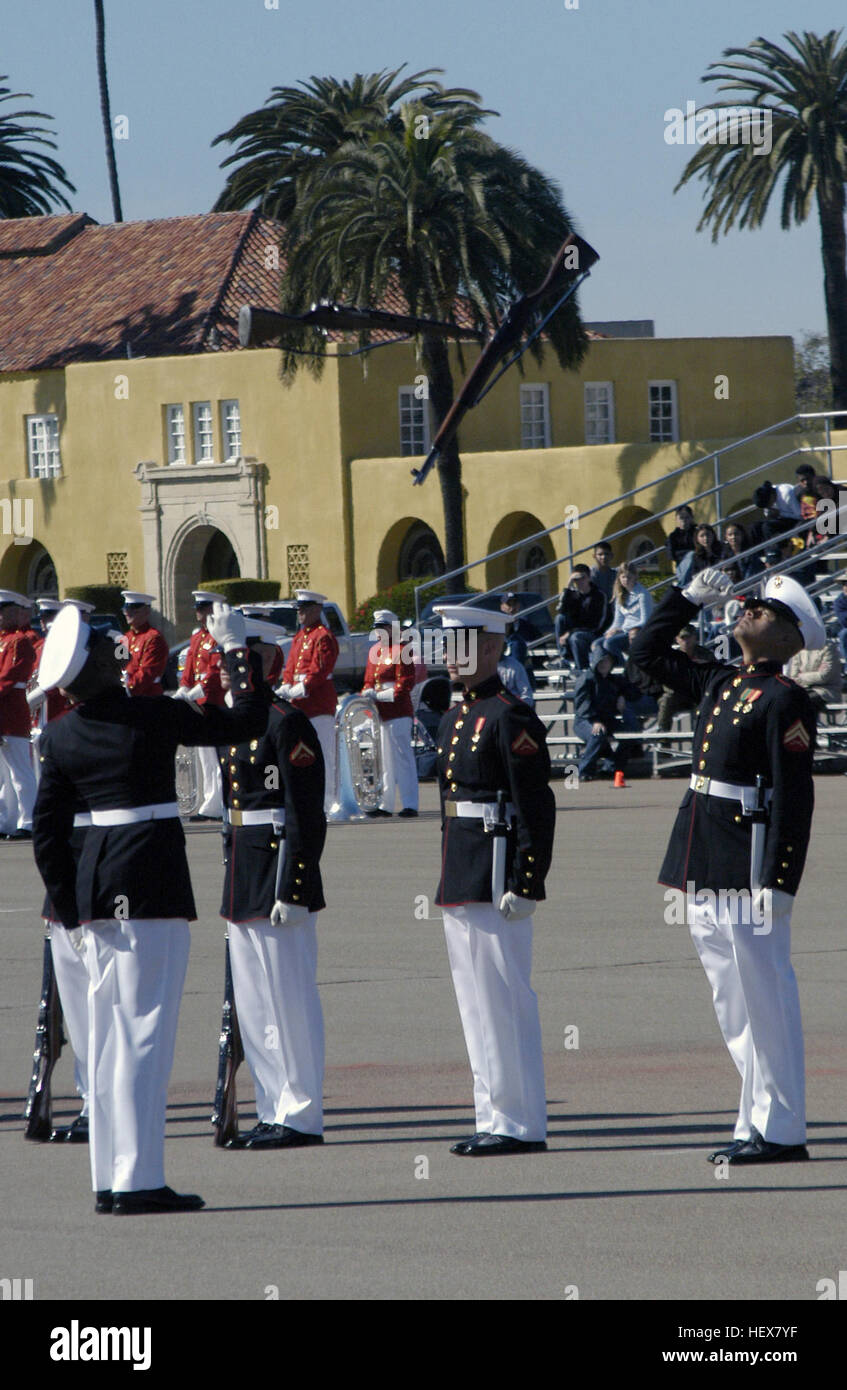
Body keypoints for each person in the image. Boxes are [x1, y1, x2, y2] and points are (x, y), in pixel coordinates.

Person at [32, 602, 267, 1213]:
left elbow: (48, 836)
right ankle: (137, 1181)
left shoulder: (59, 735)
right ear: (101, 669)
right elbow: (244, 721)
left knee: (108, 1039)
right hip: (150, 882)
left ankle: (110, 1178)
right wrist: (236, 651)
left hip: (94, 892)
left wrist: (71, 910)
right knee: (143, 1034)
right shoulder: (150, 715)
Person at [629, 567, 824, 1164]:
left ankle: (783, 1128)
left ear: (791, 639)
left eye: (763, 612)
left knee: (765, 992)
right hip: (704, 850)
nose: (747, 612)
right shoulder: (720, 681)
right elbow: (645, 653)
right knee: (732, 999)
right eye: (749, 607)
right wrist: (685, 599)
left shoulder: (786, 700)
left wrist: (781, 880)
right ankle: (755, 1119)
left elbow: (794, 797)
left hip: (748, 857)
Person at [432, 603, 555, 1156]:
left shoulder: (511, 716)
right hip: (463, 869)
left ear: (490, 648)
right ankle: (493, 1115)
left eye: (461, 643)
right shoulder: (455, 714)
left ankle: (520, 1122)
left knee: (505, 999)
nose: (448, 654)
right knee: (474, 1003)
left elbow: (535, 804)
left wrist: (528, 880)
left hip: (498, 871)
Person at [217, 619, 327, 1150]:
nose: (230, 668)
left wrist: (296, 887)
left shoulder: (288, 723)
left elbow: (306, 815)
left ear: (267, 662)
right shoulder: (236, 721)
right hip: (244, 868)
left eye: (242, 657)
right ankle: (270, 1107)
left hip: (280, 867)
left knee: (289, 999)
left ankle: (300, 1112)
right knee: (257, 1002)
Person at [279, 591, 339, 814]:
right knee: (303, 755)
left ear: (317, 610)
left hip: (318, 702)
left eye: (305, 609)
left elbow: (321, 669)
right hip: (300, 703)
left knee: (324, 753)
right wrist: (286, 684)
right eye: (299, 609)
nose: (300, 613)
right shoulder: (300, 636)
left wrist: (303, 687)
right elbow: (291, 666)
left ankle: (330, 801)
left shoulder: (323, 636)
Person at [361, 609, 418, 818]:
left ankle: (410, 804)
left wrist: (379, 694)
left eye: (382, 628)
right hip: (380, 712)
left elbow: (405, 683)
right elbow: (369, 679)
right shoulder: (374, 651)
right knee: (383, 760)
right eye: (377, 629)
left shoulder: (402, 649)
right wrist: (367, 692)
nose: (378, 633)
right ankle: (385, 804)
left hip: (398, 711)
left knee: (403, 759)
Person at [177, 590, 228, 818]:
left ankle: (216, 803)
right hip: (199, 703)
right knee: (204, 757)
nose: (199, 611)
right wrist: (184, 687)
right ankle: (209, 800)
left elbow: (216, 669)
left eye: (203, 606)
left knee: (216, 756)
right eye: (197, 607)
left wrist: (199, 689)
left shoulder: (218, 635)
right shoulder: (197, 637)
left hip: (214, 702)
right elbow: (190, 668)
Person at [0, 590, 37, 840]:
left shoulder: (19, 641)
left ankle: (30, 820)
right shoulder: (4, 641)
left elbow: (10, 676)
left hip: (12, 712)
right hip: (4, 713)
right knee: (5, 774)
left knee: (20, 773)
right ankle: (7, 821)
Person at [573, 643, 638, 780]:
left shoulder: (613, 680)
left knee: (631, 733)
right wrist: (595, 720)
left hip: (608, 720)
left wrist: (623, 696)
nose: (604, 664)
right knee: (597, 734)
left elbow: (632, 690)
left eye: (607, 661)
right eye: (601, 661)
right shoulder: (586, 679)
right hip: (585, 721)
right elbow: (582, 705)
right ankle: (584, 771)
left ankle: (611, 768)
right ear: (595, 662)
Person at [593, 563, 653, 662]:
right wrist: (610, 631)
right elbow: (618, 620)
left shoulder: (643, 595)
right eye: (623, 577)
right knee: (597, 644)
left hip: (637, 632)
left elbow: (645, 620)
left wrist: (622, 630)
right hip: (623, 631)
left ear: (635, 577)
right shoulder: (621, 596)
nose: (626, 580)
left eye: (629, 577)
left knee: (609, 644)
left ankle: (624, 667)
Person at [553, 565, 608, 669]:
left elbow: (596, 625)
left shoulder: (599, 595)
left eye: (583, 578)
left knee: (576, 637)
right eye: (576, 579)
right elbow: (560, 610)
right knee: (559, 618)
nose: (579, 582)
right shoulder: (573, 595)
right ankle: (564, 657)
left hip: (594, 633)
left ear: (589, 578)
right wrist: (568, 586)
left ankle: (582, 669)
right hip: (576, 631)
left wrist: (570, 633)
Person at [121, 591, 168, 697]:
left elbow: (147, 673)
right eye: (126, 609)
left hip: (147, 698)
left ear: (146, 611)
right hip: (126, 696)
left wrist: (127, 690)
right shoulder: (124, 638)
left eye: (133, 609)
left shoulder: (154, 638)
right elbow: (117, 666)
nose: (127, 613)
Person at [784, 636, 843, 716]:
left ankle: (808, 727)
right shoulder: (799, 649)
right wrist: (814, 674)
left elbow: (824, 676)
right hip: (803, 688)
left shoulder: (828, 647)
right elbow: (793, 676)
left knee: (805, 700)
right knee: (785, 699)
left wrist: (801, 676)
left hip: (826, 691)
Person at [722, 521, 764, 585]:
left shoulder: (750, 553)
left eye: (736, 534)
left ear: (742, 535)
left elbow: (751, 573)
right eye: (730, 535)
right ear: (726, 537)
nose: (733, 537)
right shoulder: (724, 555)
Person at [589, 541, 616, 609]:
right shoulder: (588, 575)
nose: (604, 557)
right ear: (594, 556)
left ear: (612, 556)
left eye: (606, 554)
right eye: (600, 554)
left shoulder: (616, 575)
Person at [834, 578, 847, 668]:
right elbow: (844, 621)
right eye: (845, 584)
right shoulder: (839, 601)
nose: (846, 587)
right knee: (843, 635)